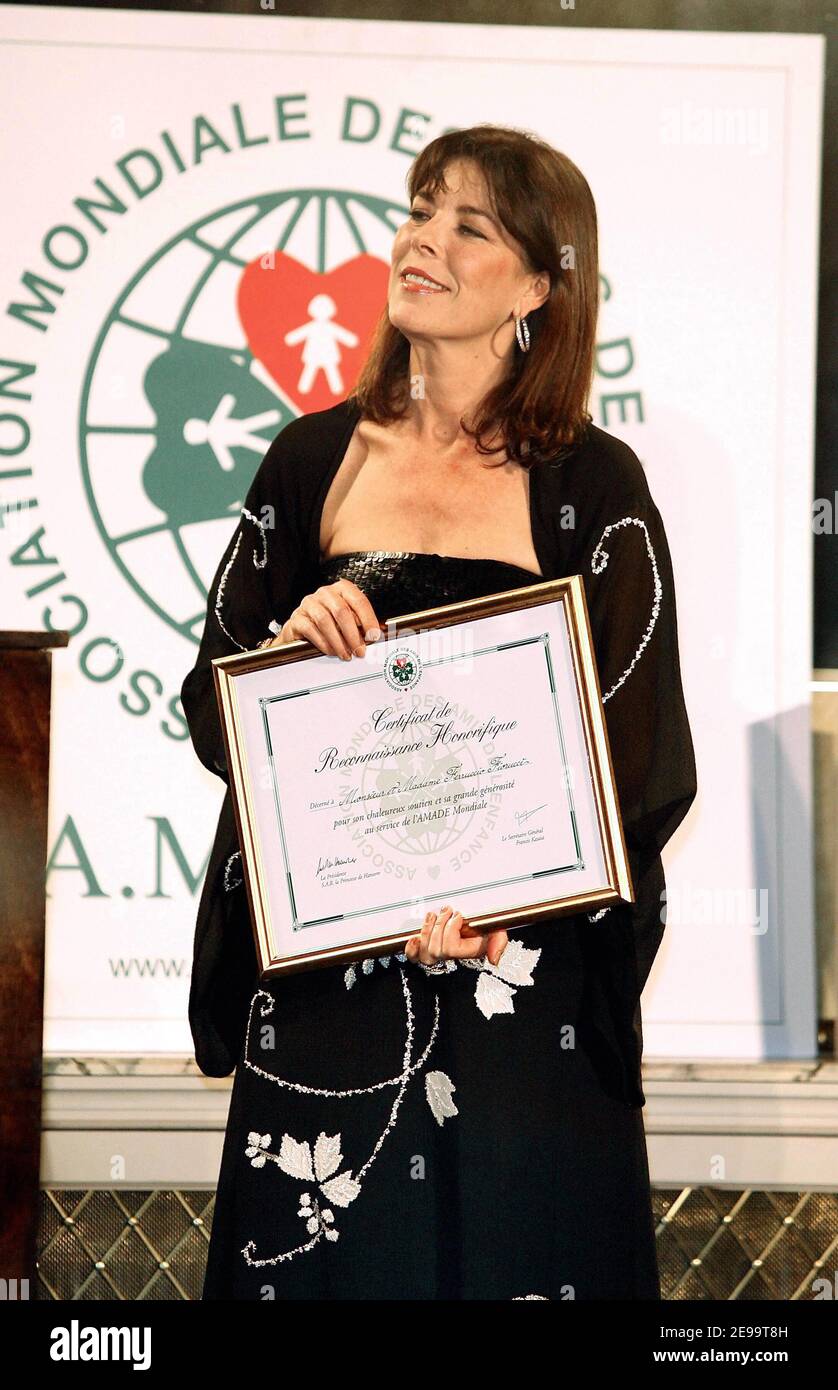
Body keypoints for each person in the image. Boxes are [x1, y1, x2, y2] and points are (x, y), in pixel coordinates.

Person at [180, 124, 697, 1300]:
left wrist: (497, 899)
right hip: (332, 990)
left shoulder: (591, 486)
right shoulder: (312, 460)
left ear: (536, 285)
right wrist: (285, 652)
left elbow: (635, 745)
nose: (422, 238)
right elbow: (219, 708)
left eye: (470, 225)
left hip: (521, 982)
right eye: (419, 209)